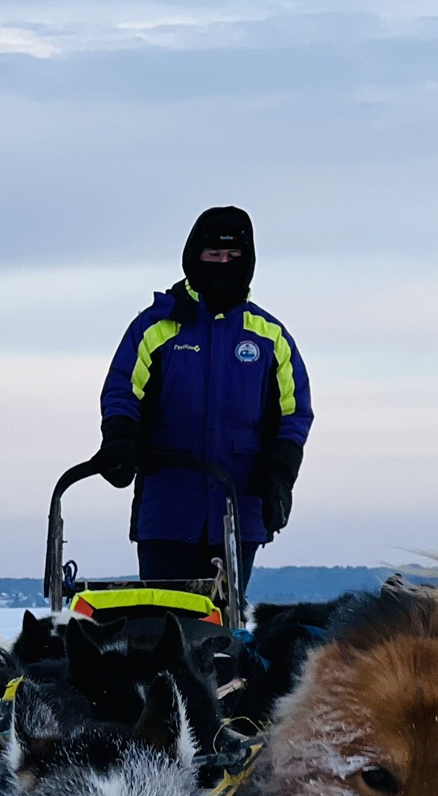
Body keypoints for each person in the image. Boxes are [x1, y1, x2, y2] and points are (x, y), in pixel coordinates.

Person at [97, 206, 313, 592]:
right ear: (194, 257)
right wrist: (118, 439)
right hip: (167, 509)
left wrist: (281, 471)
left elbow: (295, 413)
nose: (223, 264)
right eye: (213, 255)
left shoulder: (268, 337)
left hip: (238, 507)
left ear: (247, 262)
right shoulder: (156, 327)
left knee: (224, 626)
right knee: (165, 624)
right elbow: (122, 391)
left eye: (233, 257)